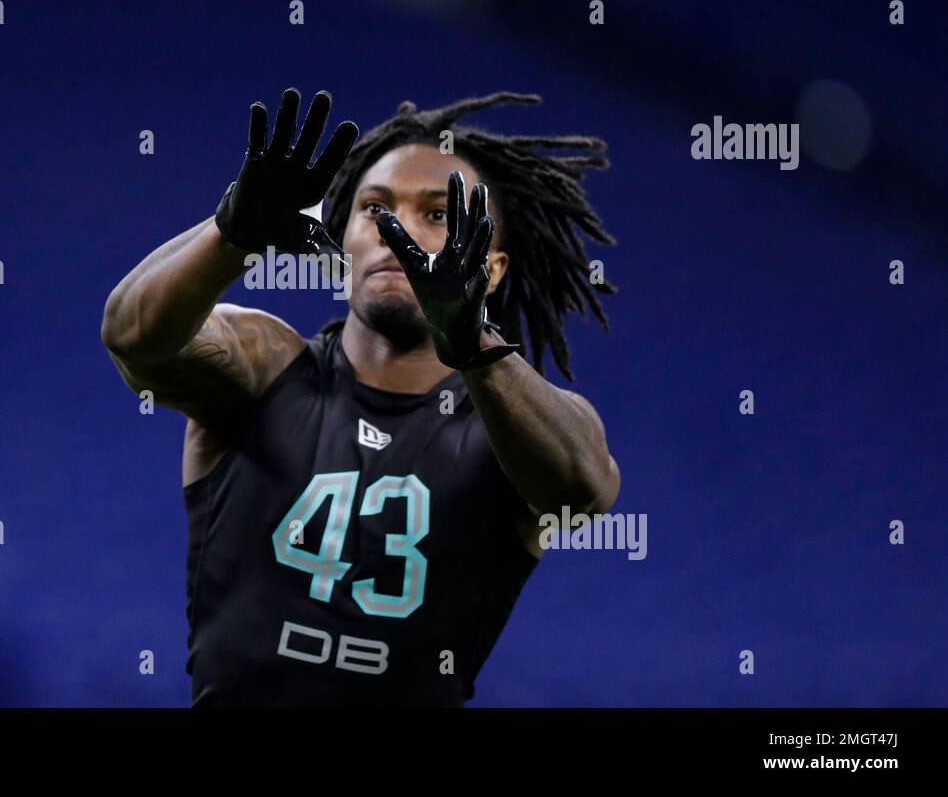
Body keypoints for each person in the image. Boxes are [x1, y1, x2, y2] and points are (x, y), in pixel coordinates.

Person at [101, 87, 621, 705]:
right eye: (376, 209)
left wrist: (475, 344)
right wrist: (229, 234)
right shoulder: (264, 366)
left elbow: (582, 490)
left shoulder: (512, 424)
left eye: (438, 214)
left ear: (493, 267)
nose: (398, 229)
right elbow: (133, 338)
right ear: (341, 238)